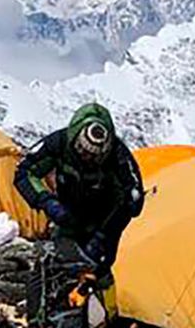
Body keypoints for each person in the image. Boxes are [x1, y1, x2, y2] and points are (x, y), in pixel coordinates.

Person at [15, 103, 144, 274]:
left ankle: (103, 297)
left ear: (104, 152)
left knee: (98, 273)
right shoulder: (59, 143)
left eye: (93, 156)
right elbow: (25, 172)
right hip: (67, 216)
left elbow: (134, 200)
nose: (85, 158)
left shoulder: (119, 156)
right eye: (81, 150)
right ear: (75, 138)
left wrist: (105, 234)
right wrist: (47, 201)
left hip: (104, 222)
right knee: (56, 267)